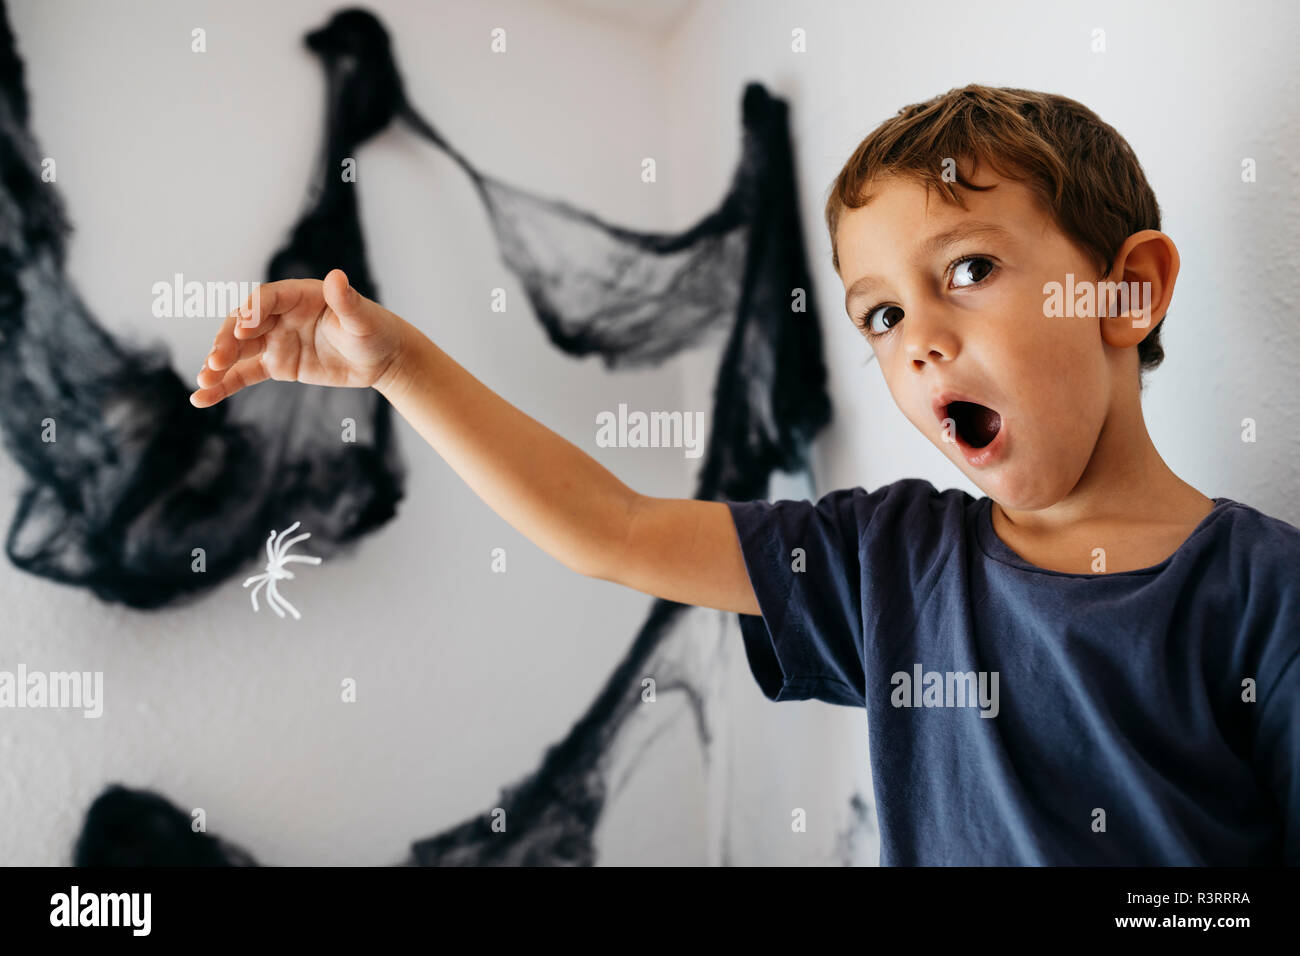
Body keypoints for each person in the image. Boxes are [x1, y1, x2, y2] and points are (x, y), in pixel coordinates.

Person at [190, 84, 1299, 866]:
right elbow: (612, 527)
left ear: (1125, 290)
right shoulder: (888, 561)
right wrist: (400, 366)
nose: (915, 340)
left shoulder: (1266, 593)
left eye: (968, 267)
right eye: (881, 312)